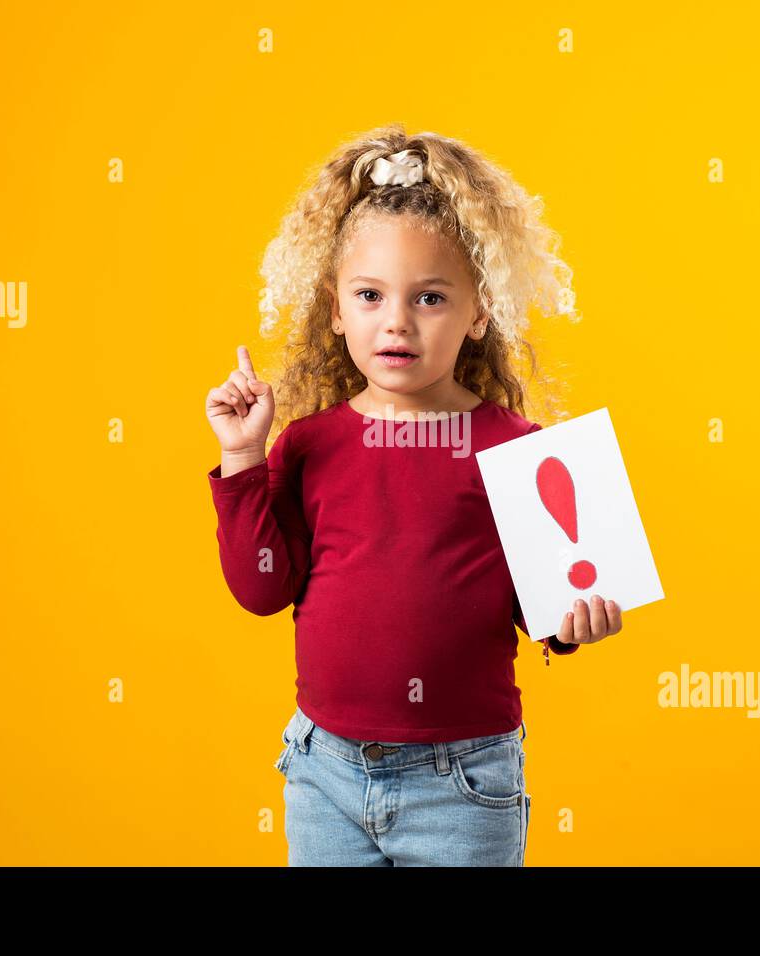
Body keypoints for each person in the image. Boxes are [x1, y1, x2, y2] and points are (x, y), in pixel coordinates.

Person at [205, 124, 623, 865]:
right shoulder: (309, 444)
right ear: (336, 309)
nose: (395, 320)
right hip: (324, 770)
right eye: (369, 295)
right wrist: (243, 456)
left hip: (463, 782)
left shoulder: (514, 449)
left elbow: (540, 607)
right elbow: (261, 591)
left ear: (480, 312)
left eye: (429, 297)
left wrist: (571, 622)